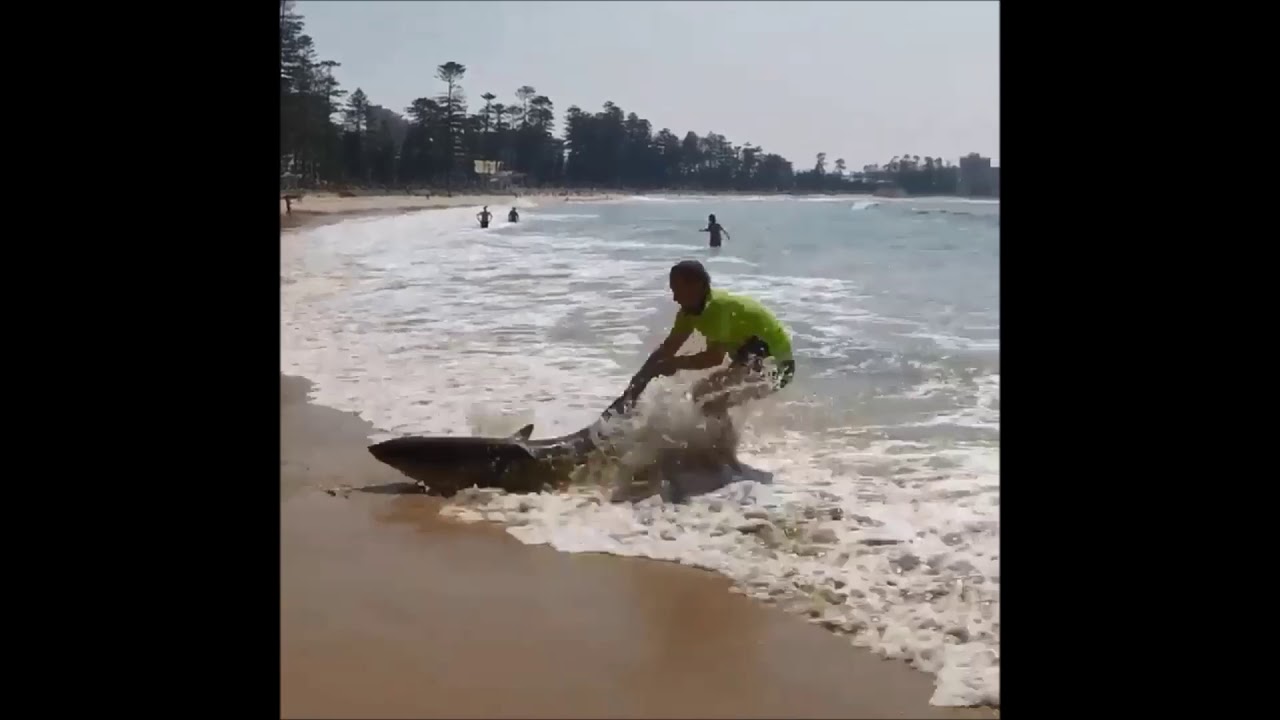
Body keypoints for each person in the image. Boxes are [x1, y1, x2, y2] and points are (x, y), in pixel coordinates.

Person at [621, 260, 795, 468]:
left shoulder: (716, 309)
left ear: (697, 285)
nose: (675, 297)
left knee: (708, 398)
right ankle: (721, 455)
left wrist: (675, 364)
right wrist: (640, 379)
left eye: (678, 290)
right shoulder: (689, 313)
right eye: (672, 291)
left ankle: (725, 458)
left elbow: (713, 358)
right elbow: (668, 347)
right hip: (751, 356)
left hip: (777, 366)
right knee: (705, 395)